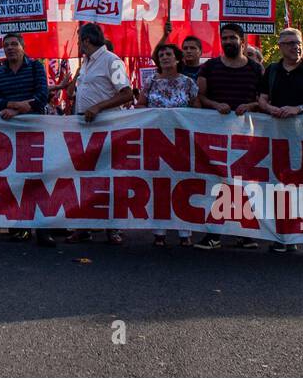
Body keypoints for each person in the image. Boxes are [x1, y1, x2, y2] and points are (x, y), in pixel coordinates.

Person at [257, 27, 303, 255]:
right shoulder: (271, 71)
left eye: (298, 42)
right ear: (280, 47)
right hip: (278, 139)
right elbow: (261, 99)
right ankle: (285, 237)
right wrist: (270, 109)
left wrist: (297, 109)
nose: (295, 47)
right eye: (289, 43)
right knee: (280, 187)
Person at [196, 22, 266, 250]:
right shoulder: (210, 68)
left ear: (242, 42)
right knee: (216, 182)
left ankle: (244, 231)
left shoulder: (256, 70)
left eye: (232, 38)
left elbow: (265, 99)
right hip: (215, 135)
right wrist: (216, 105)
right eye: (224, 38)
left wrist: (251, 105)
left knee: (243, 183)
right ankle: (214, 232)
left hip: (246, 134)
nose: (228, 41)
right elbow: (201, 97)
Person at [0, 32, 52, 246]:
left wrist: (16, 109)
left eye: (14, 44)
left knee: (38, 180)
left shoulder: (35, 67)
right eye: (6, 45)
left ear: (23, 47)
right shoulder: (0, 72)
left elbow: (42, 95)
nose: (10, 48)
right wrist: (15, 106)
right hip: (9, 136)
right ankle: (19, 226)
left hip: (35, 133)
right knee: (14, 180)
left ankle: (43, 229)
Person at [72, 23, 134, 245]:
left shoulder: (112, 61)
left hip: (108, 130)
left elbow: (127, 94)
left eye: (79, 40)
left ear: (87, 40)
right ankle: (85, 226)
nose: (78, 44)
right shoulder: (86, 63)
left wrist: (98, 107)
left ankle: (113, 227)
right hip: (85, 129)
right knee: (86, 178)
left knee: (110, 179)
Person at [137, 41, 198, 248]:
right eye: (161, 54)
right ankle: (159, 231)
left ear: (178, 58)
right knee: (159, 185)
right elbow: (141, 105)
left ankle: (184, 231)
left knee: (182, 185)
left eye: (168, 54)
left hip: (182, 141)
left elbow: (198, 110)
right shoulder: (151, 82)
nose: (164, 57)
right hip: (156, 141)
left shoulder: (188, 83)